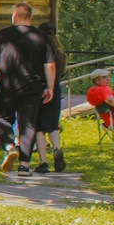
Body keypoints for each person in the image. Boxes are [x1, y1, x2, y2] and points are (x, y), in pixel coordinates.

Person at [0, 3, 54, 176]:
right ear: (30, 17)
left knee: (1, 119)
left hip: (7, 85)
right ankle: (24, 166)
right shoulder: (42, 37)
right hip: (32, 87)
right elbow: (49, 65)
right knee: (28, 125)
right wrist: (50, 87)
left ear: (15, 15)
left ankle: (9, 146)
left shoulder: (3, 35)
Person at [34, 22, 68, 173]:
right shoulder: (60, 52)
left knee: (38, 127)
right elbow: (63, 72)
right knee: (53, 125)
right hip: (56, 88)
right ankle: (57, 148)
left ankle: (43, 162)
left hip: (40, 89)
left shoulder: (40, 51)